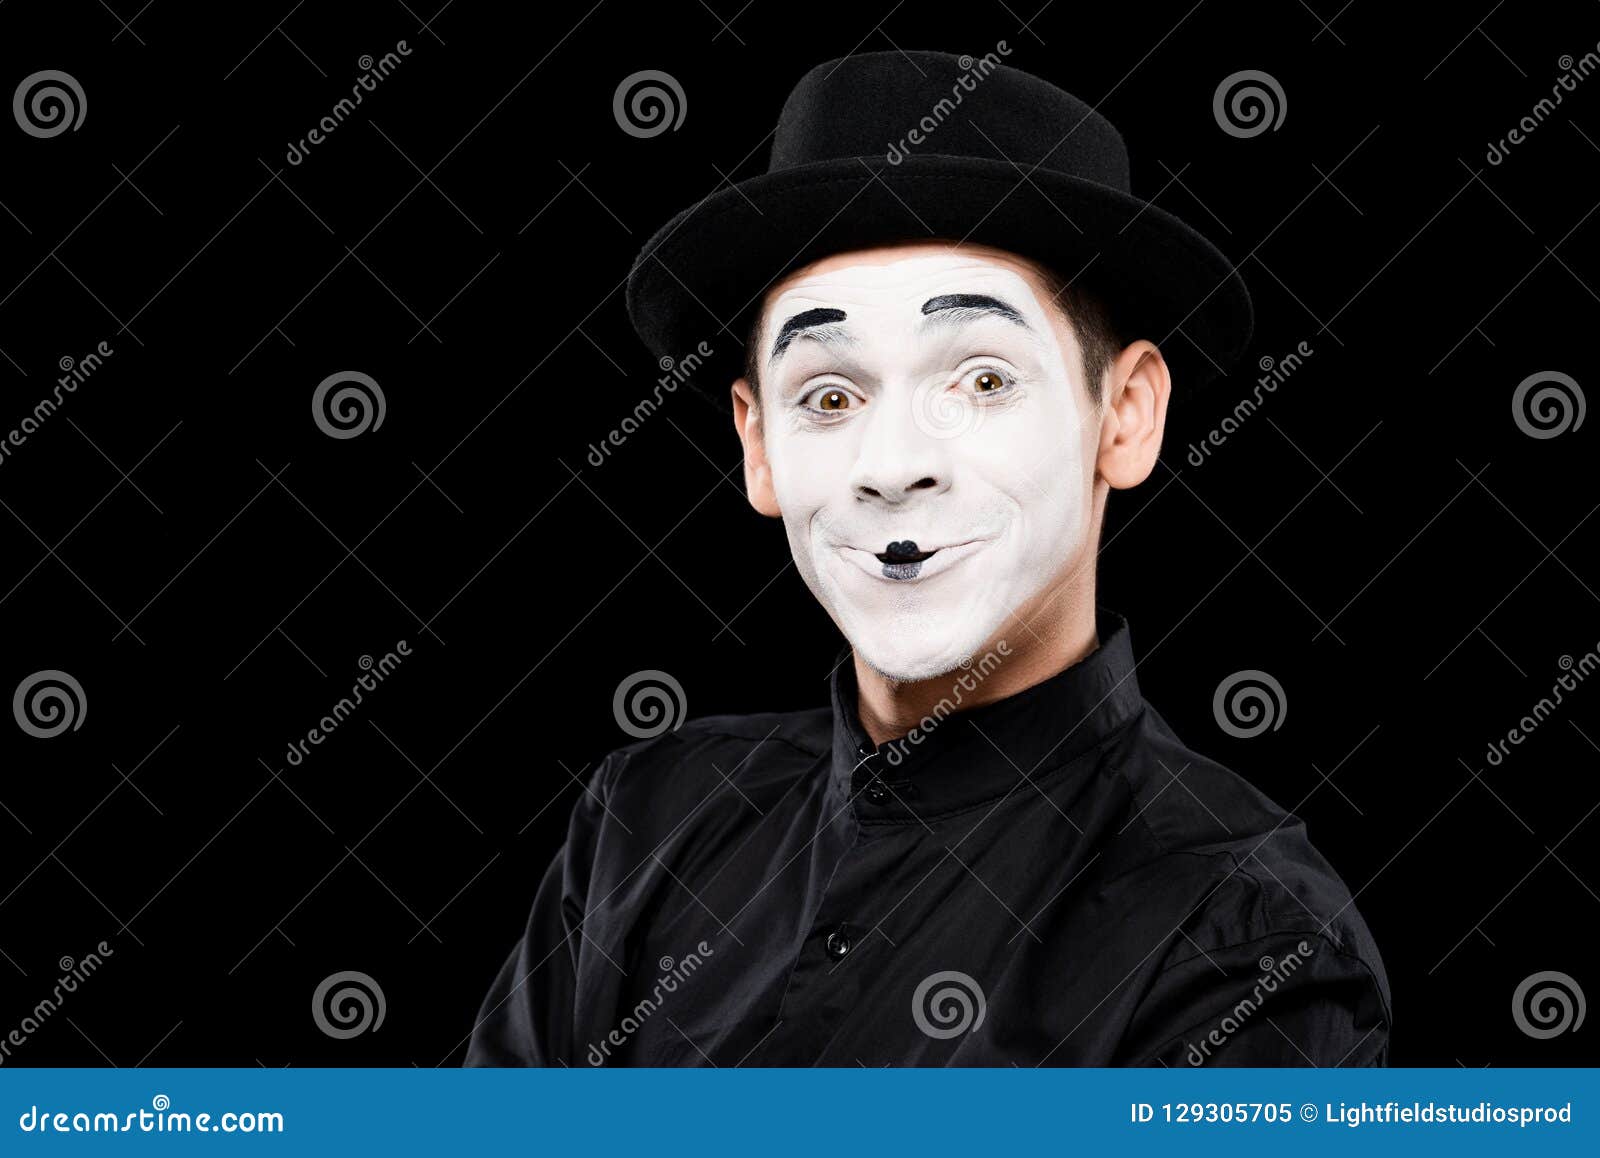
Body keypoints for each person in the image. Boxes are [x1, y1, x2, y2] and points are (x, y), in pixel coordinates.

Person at [466, 49, 1389, 1067]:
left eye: (983, 381)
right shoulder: (645, 822)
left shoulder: (1247, 940)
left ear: (1125, 414)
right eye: (828, 396)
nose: (892, 465)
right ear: (759, 446)